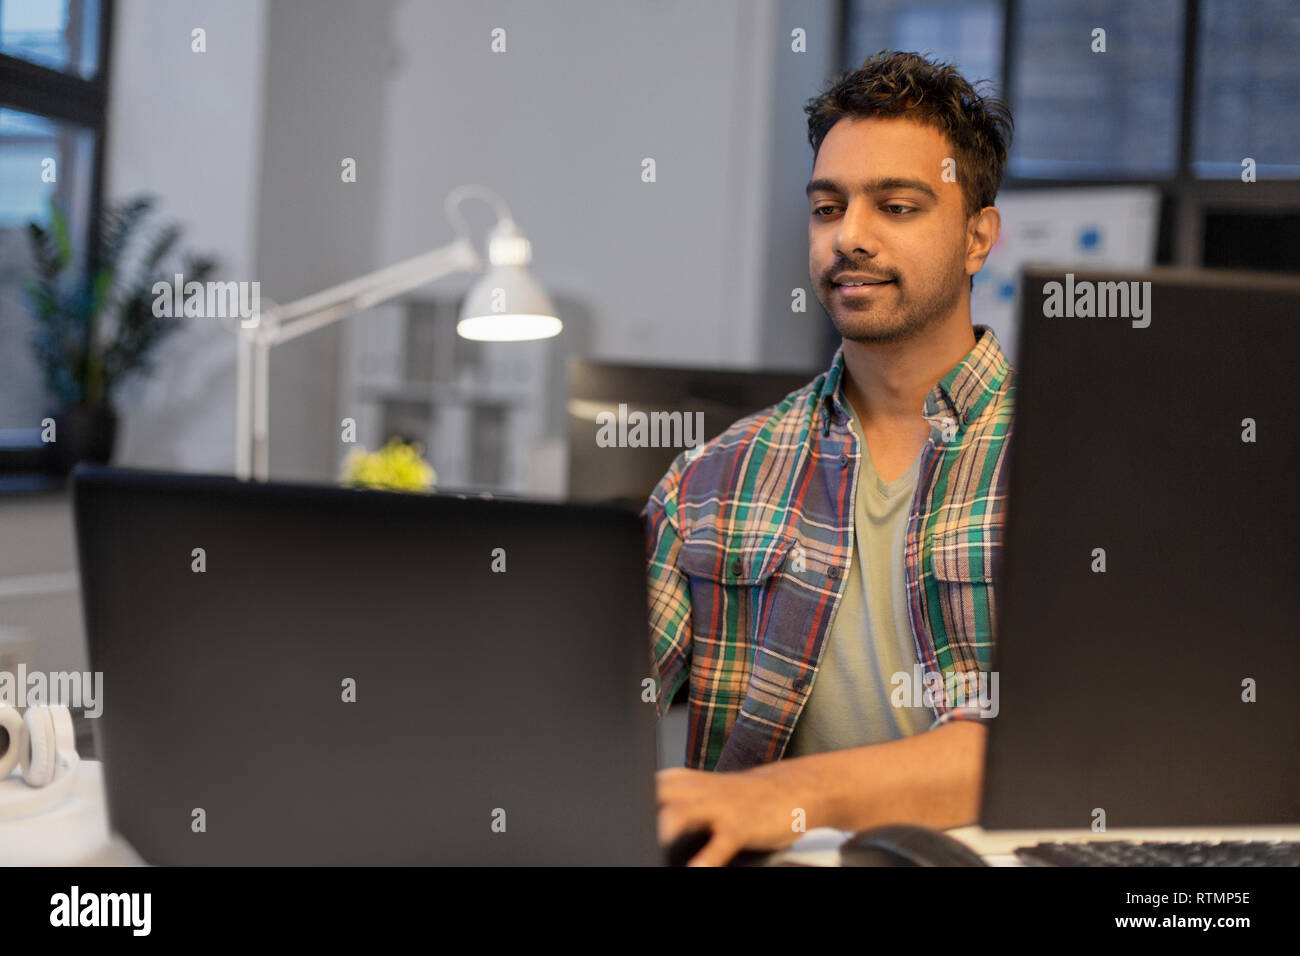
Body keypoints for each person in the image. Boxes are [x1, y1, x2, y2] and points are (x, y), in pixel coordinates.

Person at [643, 50, 1016, 866]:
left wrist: (774, 799)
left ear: (977, 237)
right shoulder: (711, 480)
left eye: (897, 206)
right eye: (827, 207)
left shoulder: (1075, 473)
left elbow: (1059, 742)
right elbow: (576, 705)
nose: (850, 235)